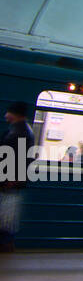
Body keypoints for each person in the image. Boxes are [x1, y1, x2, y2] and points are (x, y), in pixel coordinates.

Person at [0, 102, 35, 253]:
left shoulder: (21, 132)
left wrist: (14, 179)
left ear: (16, 114)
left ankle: (6, 246)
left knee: (6, 216)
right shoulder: (18, 130)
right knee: (6, 216)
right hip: (9, 179)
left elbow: (21, 158)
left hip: (10, 181)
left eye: (8, 112)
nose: (5, 115)